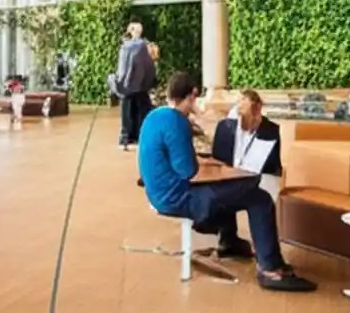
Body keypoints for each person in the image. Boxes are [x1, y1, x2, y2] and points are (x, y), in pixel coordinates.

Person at [139, 73, 316, 292]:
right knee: (258, 197)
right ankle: (270, 269)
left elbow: (177, 161)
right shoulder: (177, 122)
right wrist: (230, 172)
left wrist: (212, 163)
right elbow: (189, 172)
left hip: (159, 192)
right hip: (176, 198)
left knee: (238, 190)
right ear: (193, 95)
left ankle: (229, 241)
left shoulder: (155, 116)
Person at [212, 90, 282, 176]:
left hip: (257, 183)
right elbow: (216, 161)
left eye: (253, 112)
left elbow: (274, 168)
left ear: (259, 109)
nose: (248, 119)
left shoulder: (271, 131)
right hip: (227, 181)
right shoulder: (224, 128)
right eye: (241, 112)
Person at [116, 22, 156, 149]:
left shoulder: (125, 46)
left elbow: (122, 68)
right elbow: (149, 66)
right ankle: (139, 136)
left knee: (127, 112)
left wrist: (122, 81)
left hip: (127, 87)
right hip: (141, 86)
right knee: (141, 111)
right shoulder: (144, 46)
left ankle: (126, 137)